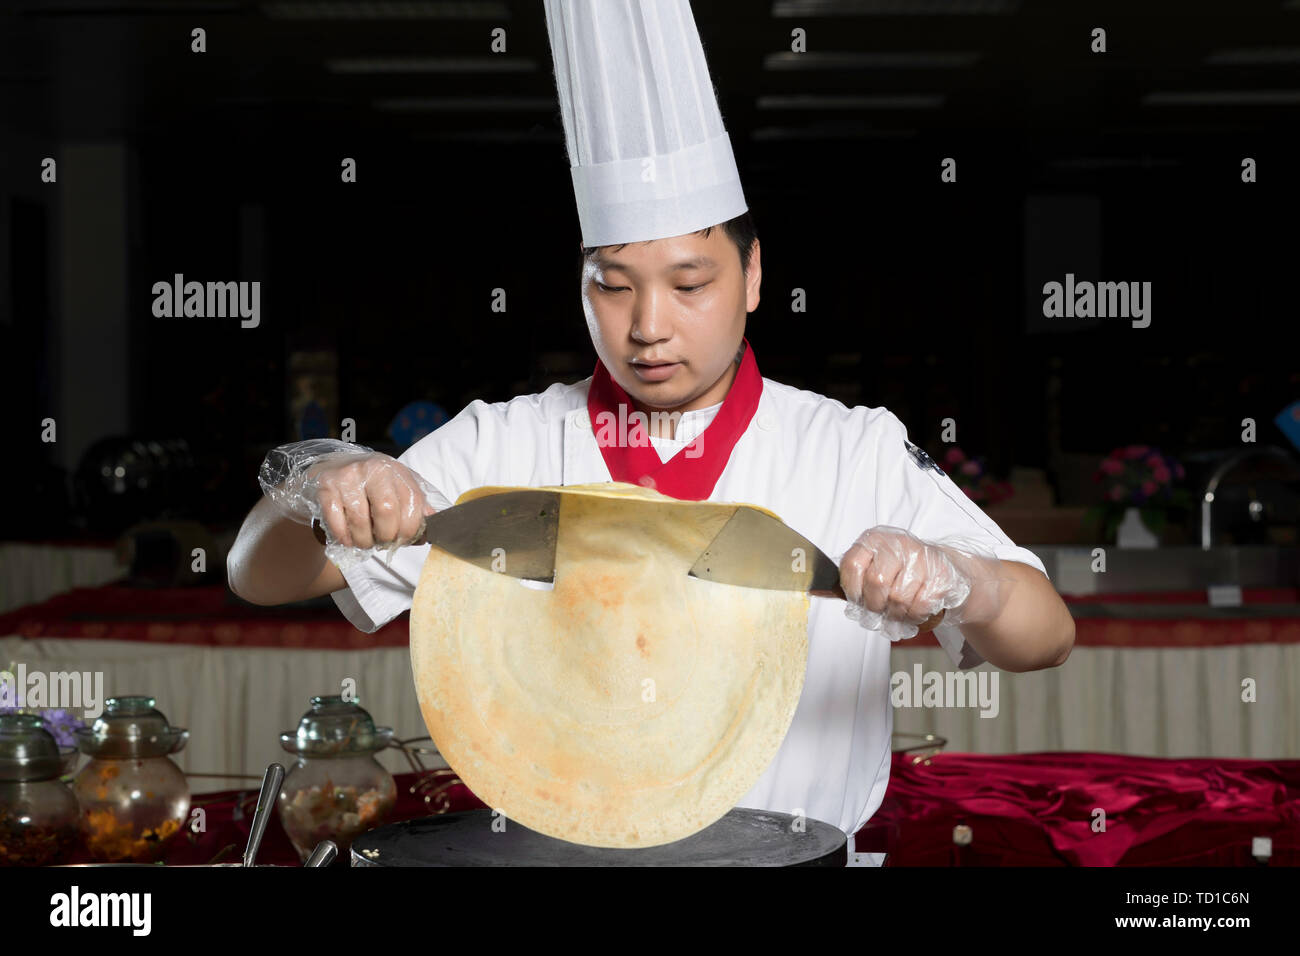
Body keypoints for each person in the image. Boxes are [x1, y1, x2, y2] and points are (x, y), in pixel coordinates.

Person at [226, 0, 1075, 863]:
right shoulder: (501, 446)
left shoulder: (849, 448)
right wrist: (319, 482)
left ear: (752, 275)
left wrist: (960, 581)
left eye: (690, 283)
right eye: (614, 284)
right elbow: (257, 576)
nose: (649, 327)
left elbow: (1046, 635)